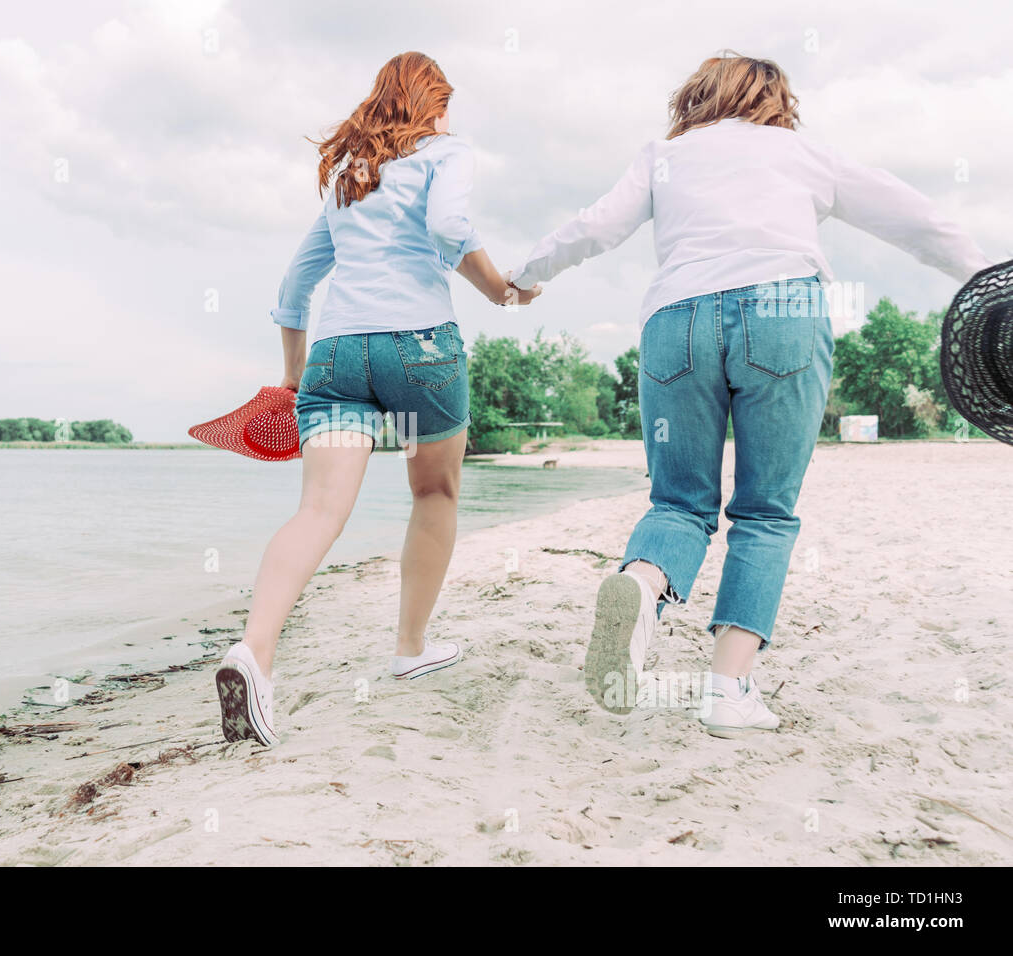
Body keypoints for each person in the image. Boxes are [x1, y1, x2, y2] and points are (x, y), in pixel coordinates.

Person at [507, 52, 991, 736]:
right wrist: (989, 279)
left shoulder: (662, 156)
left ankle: (643, 591)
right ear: (777, 101)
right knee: (765, 511)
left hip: (675, 321)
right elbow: (913, 219)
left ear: (696, 98)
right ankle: (728, 690)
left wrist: (526, 275)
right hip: (784, 313)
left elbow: (594, 226)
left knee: (678, 500)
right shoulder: (802, 153)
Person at [217, 51, 541, 746]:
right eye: (445, 105)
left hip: (336, 354)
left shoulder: (345, 177)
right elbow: (452, 230)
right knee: (435, 494)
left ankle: (255, 653)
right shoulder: (445, 153)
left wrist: (294, 374)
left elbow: (293, 288)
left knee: (318, 511)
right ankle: (410, 647)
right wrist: (502, 291)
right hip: (418, 348)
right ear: (432, 104)